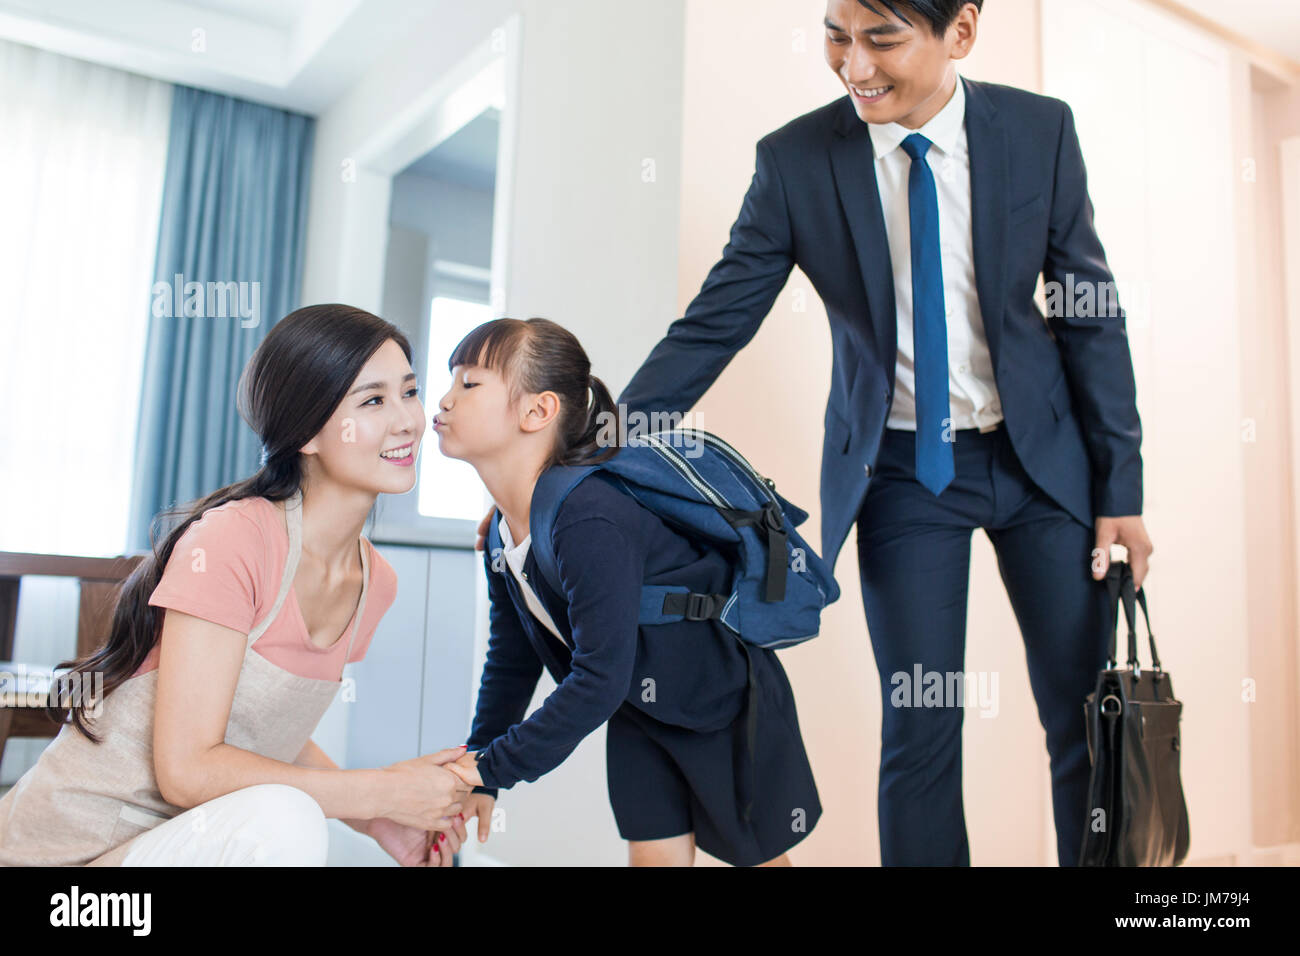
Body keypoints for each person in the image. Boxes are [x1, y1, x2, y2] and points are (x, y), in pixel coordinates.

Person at [606, 0, 1154, 865]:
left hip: (1042, 465)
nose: (853, 65)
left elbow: (1090, 314)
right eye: (837, 35)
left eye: (882, 39)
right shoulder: (796, 161)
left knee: (1086, 717)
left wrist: (1122, 489)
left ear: (960, 32)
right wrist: (591, 454)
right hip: (903, 473)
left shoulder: (1039, 133)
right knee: (921, 728)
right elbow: (714, 325)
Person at [0, 304, 470, 866]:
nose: (408, 420)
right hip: (70, 862)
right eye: (372, 400)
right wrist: (381, 791)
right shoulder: (235, 540)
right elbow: (187, 770)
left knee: (290, 815)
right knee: (285, 817)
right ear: (307, 432)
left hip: (180, 847)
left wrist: (377, 819)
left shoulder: (376, 583)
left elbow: (265, 731)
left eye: (409, 392)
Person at [439, 317, 821, 866]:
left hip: (716, 699)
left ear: (538, 411)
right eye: (452, 381)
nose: (445, 399)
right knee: (654, 859)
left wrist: (489, 766)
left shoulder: (587, 517)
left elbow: (598, 677)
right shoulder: (501, 531)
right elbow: (512, 658)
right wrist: (484, 769)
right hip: (639, 707)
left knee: (757, 861)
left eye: (470, 383)